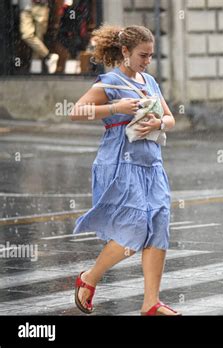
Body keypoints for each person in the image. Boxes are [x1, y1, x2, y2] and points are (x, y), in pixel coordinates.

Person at [69, 25, 179, 316]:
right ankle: (90, 277)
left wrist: (158, 123)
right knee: (134, 228)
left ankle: (151, 303)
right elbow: (76, 111)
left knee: (159, 225)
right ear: (125, 52)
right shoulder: (109, 82)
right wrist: (116, 107)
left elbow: (170, 119)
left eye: (151, 55)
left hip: (152, 163)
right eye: (142, 55)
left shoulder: (150, 81)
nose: (147, 61)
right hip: (121, 163)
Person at [19, 0, 59, 73]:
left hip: (41, 6)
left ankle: (35, 69)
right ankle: (48, 56)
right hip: (26, 5)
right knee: (26, 35)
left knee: (39, 38)